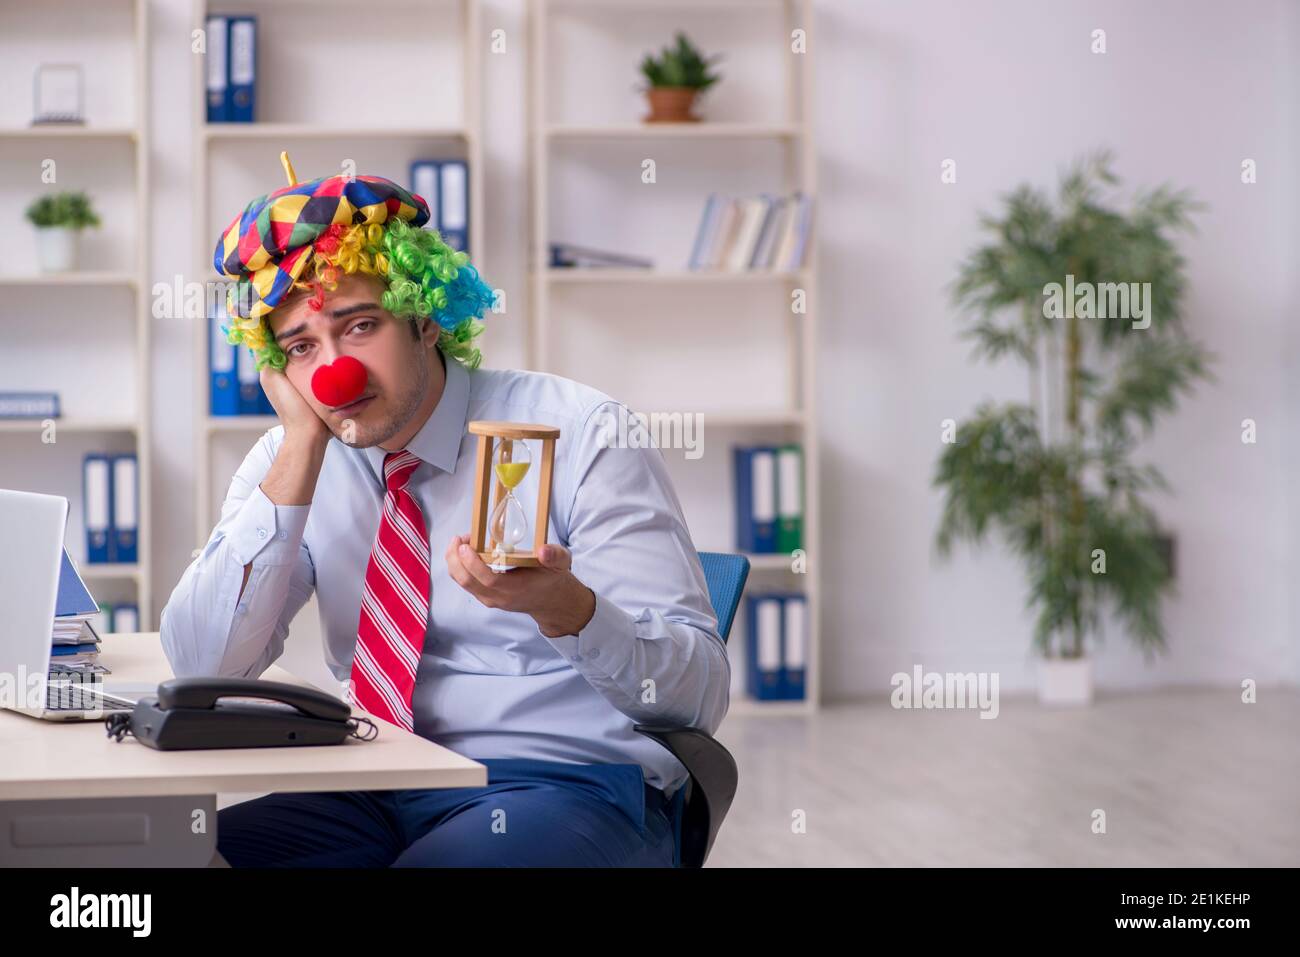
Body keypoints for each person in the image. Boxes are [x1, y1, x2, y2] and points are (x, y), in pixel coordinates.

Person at [160, 158, 729, 867]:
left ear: (424, 316)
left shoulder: (584, 432)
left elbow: (698, 694)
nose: (335, 374)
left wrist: (571, 610)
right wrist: (302, 446)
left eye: (360, 324)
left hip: (559, 785)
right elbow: (199, 664)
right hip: (366, 782)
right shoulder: (291, 460)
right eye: (302, 347)